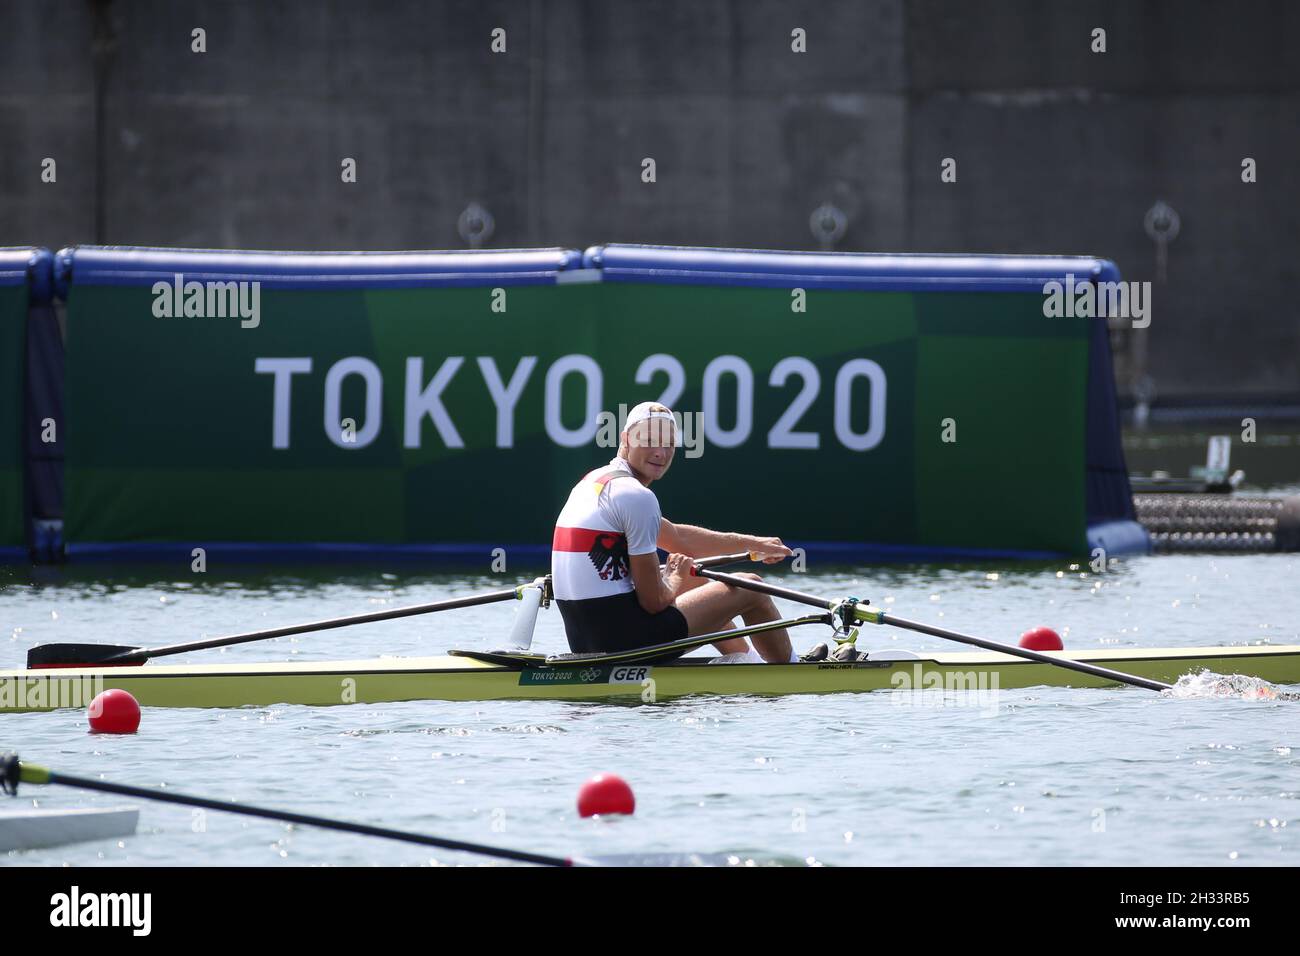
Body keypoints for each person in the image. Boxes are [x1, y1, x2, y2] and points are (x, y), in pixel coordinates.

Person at [551, 401, 796, 661]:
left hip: (586, 640)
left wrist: (753, 543)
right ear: (625, 439)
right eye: (649, 440)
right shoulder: (637, 497)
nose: (661, 452)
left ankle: (745, 659)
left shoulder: (594, 483)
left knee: (694, 579)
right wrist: (673, 579)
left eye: (669, 444)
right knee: (751, 587)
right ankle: (789, 669)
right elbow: (654, 602)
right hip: (625, 644)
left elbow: (678, 538)